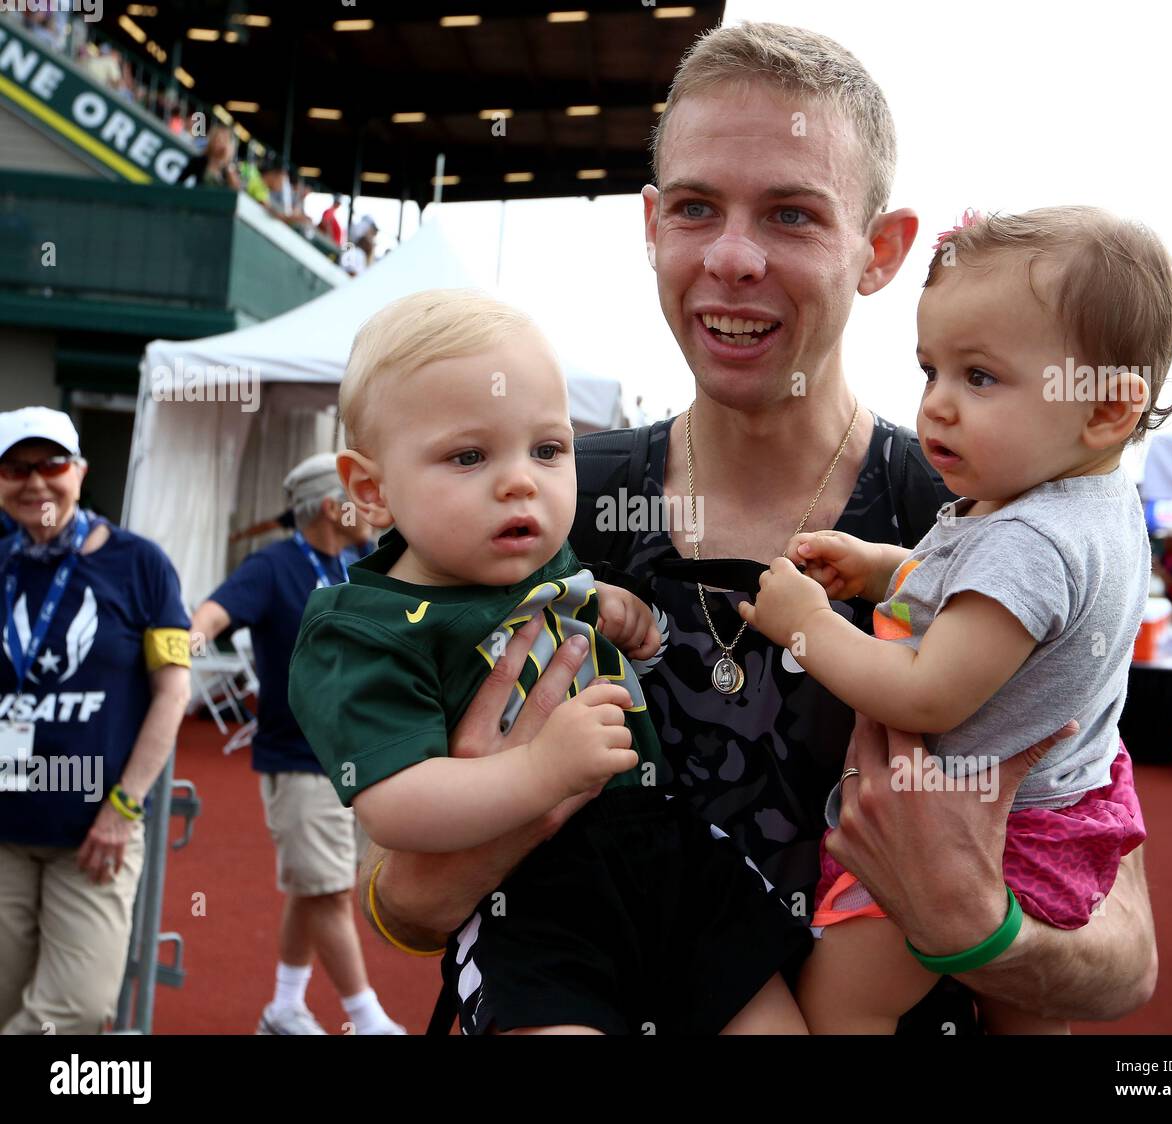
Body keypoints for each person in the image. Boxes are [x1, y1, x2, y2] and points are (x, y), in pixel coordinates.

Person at [362, 21, 1158, 1033]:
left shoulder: (992, 526)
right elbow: (395, 902)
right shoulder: (533, 507)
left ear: (880, 252)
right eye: (696, 208)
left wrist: (978, 924)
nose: (733, 259)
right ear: (651, 225)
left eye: (789, 214)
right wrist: (480, 830)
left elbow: (1124, 956)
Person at [287, 291, 810, 1035]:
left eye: (548, 449)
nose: (520, 481)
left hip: (674, 854)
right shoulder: (362, 631)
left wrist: (637, 622)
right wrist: (538, 776)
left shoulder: (545, 559)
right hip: (535, 899)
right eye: (469, 456)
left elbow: (588, 617)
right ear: (371, 491)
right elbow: (388, 802)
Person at [738, 206, 1172, 1033]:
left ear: (1106, 411)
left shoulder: (1027, 536)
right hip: (1064, 824)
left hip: (978, 838)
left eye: (979, 378)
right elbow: (1011, 621)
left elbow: (928, 692)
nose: (936, 405)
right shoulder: (1090, 505)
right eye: (930, 369)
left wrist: (808, 624)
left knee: (843, 1009)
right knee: (1027, 1016)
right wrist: (886, 568)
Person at [188, 454, 403, 1035]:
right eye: (360, 495)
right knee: (330, 892)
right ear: (334, 507)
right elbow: (213, 612)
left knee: (317, 888)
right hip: (299, 761)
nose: (374, 505)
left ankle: (284, 1008)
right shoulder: (273, 567)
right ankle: (369, 1020)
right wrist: (186, 642)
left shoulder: (363, 560)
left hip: (357, 761)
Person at [0, 408, 192, 1034]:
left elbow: (172, 692)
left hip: (95, 831)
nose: (35, 483)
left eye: (52, 464)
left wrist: (125, 806)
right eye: (15, 468)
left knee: (78, 1010)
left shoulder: (141, 564)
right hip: (5, 830)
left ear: (79, 471)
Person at [180, 125, 242, 191]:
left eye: (223, 141)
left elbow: (236, 190)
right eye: (217, 140)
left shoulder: (230, 168)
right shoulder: (199, 161)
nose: (218, 144)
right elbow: (180, 181)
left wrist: (227, 163)